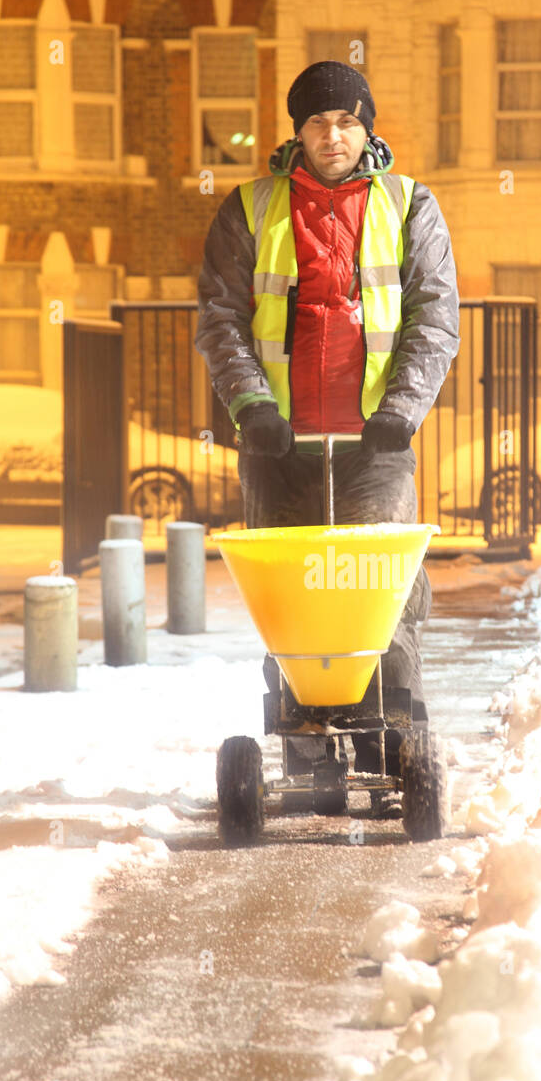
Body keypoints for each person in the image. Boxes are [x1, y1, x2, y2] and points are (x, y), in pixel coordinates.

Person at [194, 60, 459, 793]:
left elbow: (434, 317)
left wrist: (401, 410)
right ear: (296, 132)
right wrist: (251, 407)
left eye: (346, 119)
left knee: (381, 599)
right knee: (295, 608)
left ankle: (391, 739)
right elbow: (220, 319)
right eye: (316, 121)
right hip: (279, 446)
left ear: (366, 126)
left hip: (375, 444)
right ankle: (308, 756)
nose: (331, 134)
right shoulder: (249, 209)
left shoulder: (409, 205)